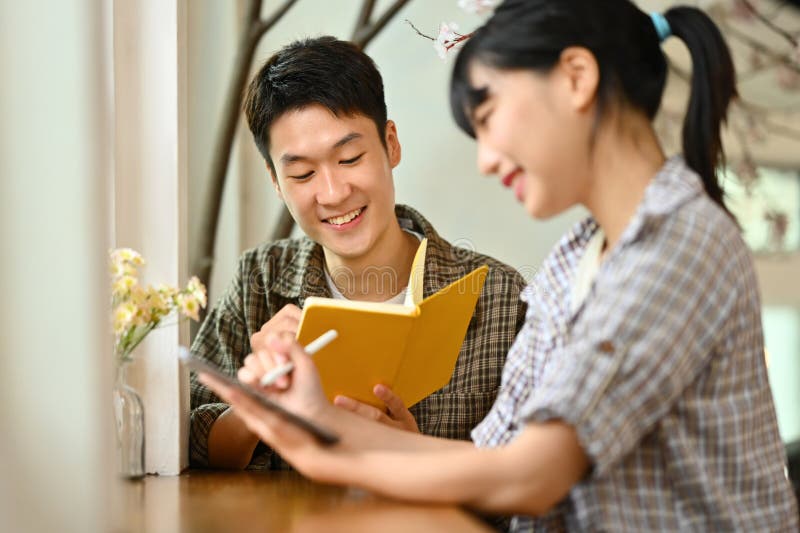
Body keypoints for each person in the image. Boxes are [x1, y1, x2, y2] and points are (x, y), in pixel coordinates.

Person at [198, 0, 800, 530]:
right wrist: (304, 415)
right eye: (303, 173)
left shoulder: (676, 246)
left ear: (576, 78)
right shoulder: (574, 259)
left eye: (488, 118)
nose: (485, 160)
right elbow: (497, 457)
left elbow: (532, 477)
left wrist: (323, 453)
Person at [189, 36, 527, 471]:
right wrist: (260, 404)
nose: (332, 193)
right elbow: (186, 438)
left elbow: (532, 477)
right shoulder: (260, 280)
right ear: (276, 182)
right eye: (303, 174)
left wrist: (415, 455)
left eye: (349, 158)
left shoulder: (500, 298)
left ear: (391, 144)